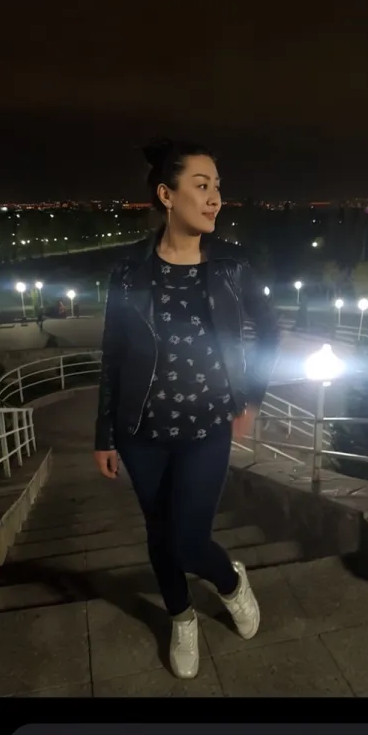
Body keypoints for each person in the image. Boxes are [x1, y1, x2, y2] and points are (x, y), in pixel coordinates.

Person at [94, 138, 280, 679]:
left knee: (187, 538)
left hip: (206, 429)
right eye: (202, 186)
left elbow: (269, 330)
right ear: (166, 195)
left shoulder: (230, 268)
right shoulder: (128, 275)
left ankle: (229, 583)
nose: (215, 197)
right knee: (159, 534)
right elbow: (113, 355)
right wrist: (104, 433)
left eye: (218, 186)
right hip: (141, 433)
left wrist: (253, 397)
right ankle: (181, 617)